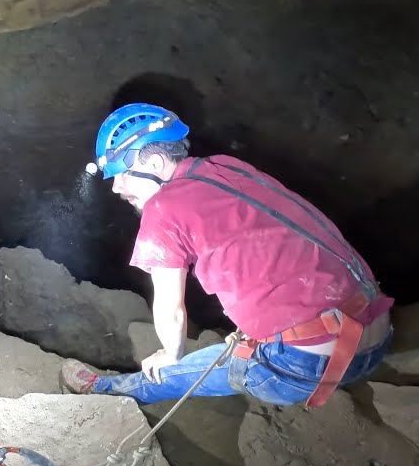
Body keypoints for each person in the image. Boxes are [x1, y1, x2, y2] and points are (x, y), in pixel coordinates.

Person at [61, 104, 394, 408]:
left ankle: (101, 392)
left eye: (123, 172)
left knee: (175, 370)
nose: (117, 187)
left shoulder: (163, 208)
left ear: (155, 163)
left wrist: (170, 354)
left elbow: (171, 310)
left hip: (305, 367)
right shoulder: (227, 167)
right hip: (374, 338)